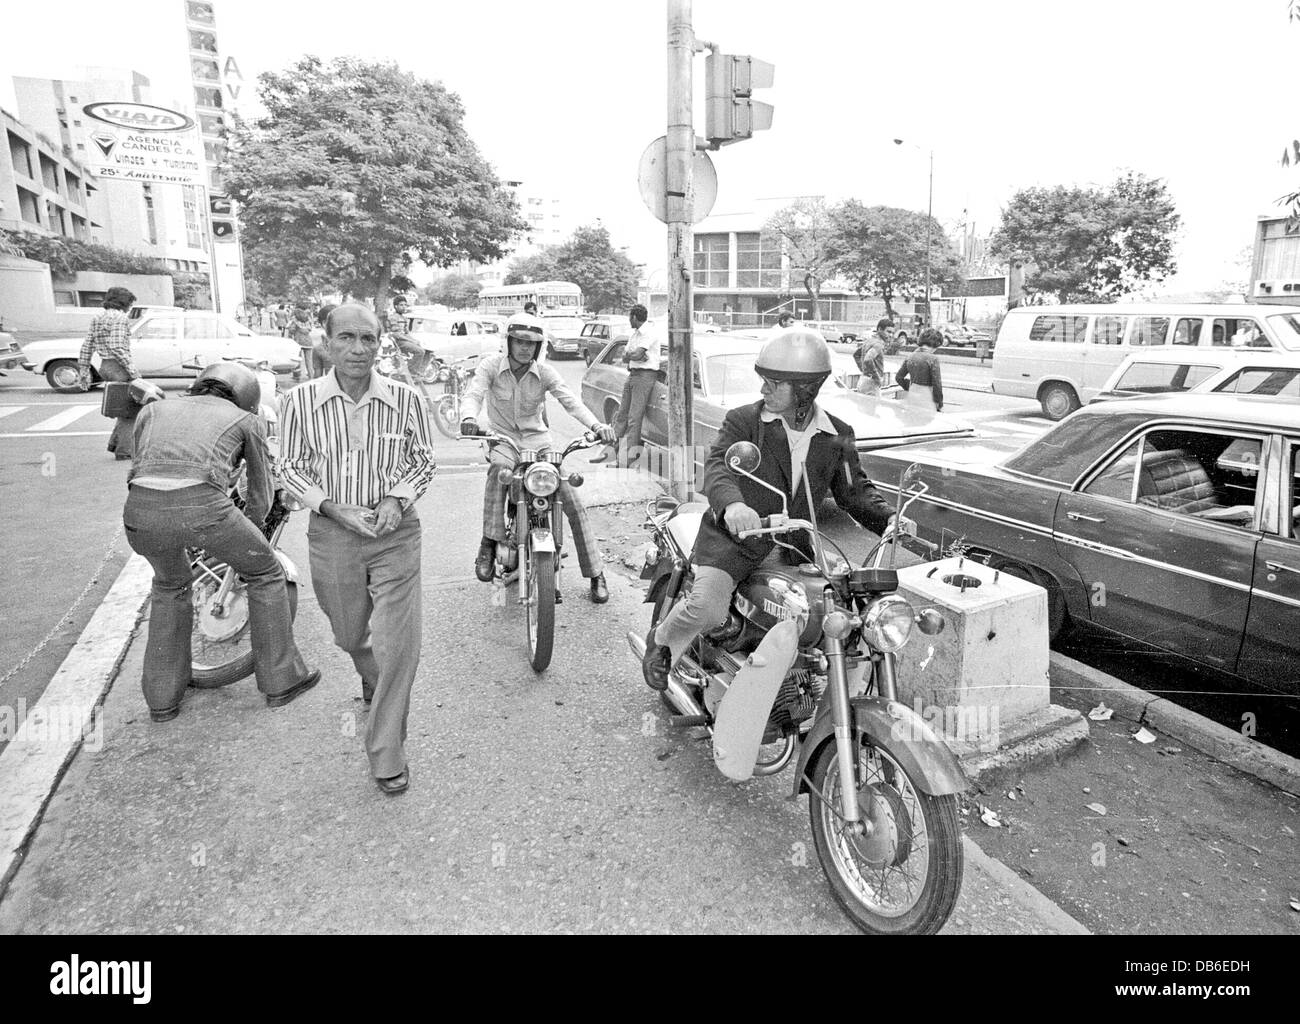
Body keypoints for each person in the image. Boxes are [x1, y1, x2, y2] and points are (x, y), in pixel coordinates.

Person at [641, 327, 911, 691]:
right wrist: (733, 504)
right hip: (733, 541)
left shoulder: (836, 434)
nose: (763, 390)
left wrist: (890, 518)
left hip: (792, 546)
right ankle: (660, 642)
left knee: (830, 617)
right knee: (707, 607)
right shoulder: (744, 421)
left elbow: (854, 490)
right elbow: (720, 464)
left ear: (805, 390)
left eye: (773, 383)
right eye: (763, 381)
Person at [278, 303, 437, 796]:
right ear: (326, 342)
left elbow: (423, 460)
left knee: (399, 646)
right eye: (346, 338)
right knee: (349, 635)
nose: (357, 349)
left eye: (368, 339)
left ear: (379, 343)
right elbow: (289, 467)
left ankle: (387, 751)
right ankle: (368, 670)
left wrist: (397, 496)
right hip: (333, 533)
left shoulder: (407, 400)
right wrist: (330, 507)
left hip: (395, 534)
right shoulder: (298, 402)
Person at [125, 362, 319, 722]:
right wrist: (254, 534)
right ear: (247, 398)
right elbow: (260, 493)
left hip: (139, 514)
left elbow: (141, 468)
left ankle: (162, 699)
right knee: (265, 573)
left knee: (169, 586)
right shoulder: (247, 420)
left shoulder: (152, 410)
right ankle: (281, 681)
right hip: (203, 510)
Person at [461, 312, 615, 604]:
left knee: (569, 496)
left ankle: (596, 573)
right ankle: (489, 542)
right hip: (504, 439)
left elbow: (570, 400)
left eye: (531, 343)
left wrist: (597, 426)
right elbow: (474, 394)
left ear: (538, 347)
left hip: (539, 443)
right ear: (508, 342)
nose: (524, 348)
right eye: (519, 341)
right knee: (499, 469)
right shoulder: (491, 366)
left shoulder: (545, 372)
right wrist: (469, 417)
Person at [77, 286, 140, 460]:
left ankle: (115, 444)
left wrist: (83, 370)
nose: (130, 307)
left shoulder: (98, 317)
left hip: (105, 366)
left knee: (122, 408)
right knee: (131, 410)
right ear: (124, 302)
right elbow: (117, 347)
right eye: (130, 303)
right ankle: (124, 451)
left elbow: (87, 345)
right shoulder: (120, 318)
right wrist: (133, 371)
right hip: (118, 367)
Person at [590, 303, 656, 467]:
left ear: (634, 317)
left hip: (644, 376)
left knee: (634, 419)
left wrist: (633, 356)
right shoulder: (635, 334)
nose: (629, 320)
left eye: (629, 317)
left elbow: (637, 354)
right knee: (621, 416)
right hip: (633, 374)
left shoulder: (649, 332)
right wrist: (634, 356)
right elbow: (627, 355)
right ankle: (609, 453)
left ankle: (627, 460)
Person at [895, 328, 945, 412]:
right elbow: (937, 384)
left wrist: (909, 386)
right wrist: (939, 403)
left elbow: (898, 377)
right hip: (927, 397)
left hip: (912, 394)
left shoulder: (910, 356)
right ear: (936, 344)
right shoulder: (933, 359)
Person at [383, 296, 430, 380]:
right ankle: (411, 372)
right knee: (420, 351)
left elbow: (406, 333)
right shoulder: (393, 317)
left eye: (405, 305)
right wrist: (411, 341)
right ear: (395, 306)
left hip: (404, 341)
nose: (404, 307)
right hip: (398, 342)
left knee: (428, 352)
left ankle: (419, 372)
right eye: (401, 305)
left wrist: (414, 340)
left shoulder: (403, 318)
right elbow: (396, 334)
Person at [854, 318, 891, 395]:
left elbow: (856, 355)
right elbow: (868, 359)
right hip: (872, 383)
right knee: (873, 405)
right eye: (888, 331)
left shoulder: (868, 341)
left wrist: (863, 370)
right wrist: (877, 378)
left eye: (892, 332)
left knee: (862, 405)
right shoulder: (878, 344)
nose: (890, 335)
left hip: (863, 380)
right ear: (880, 329)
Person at [288, 306, 315, 381]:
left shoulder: (295, 321)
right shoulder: (307, 320)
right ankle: (311, 376)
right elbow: (310, 329)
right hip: (308, 342)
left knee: (298, 360)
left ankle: (297, 377)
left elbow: (291, 330)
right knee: (309, 360)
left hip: (298, 341)